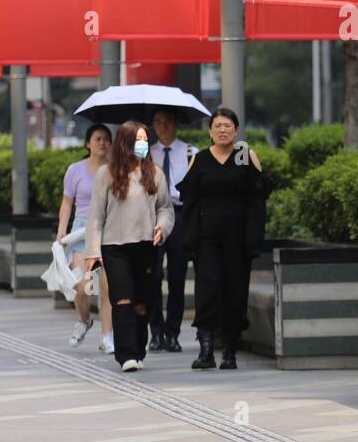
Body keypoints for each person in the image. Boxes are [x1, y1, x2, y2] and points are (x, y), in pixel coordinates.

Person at [178, 107, 266, 371]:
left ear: (236, 131)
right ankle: (206, 351)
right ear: (210, 131)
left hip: (238, 240)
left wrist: (253, 238)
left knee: (235, 292)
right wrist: (190, 240)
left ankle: (230, 351)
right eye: (217, 126)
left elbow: (257, 202)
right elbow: (189, 202)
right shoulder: (200, 159)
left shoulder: (245, 156)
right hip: (207, 239)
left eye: (228, 126)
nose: (223, 130)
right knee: (207, 290)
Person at [83, 121, 174, 372]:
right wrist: (93, 252)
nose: (143, 145)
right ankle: (125, 355)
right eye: (138, 140)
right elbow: (95, 216)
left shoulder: (155, 173)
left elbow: (165, 208)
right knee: (122, 299)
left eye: (146, 140)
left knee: (143, 302)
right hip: (115, 246)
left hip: (146, 244)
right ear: (125, 143)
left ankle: (138, 348)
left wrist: (162, 227)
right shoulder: (106, 173)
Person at [57, 124, 113, 349]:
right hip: (81, 232)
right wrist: (62, 230)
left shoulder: (114, 169)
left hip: (108, 230)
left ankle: (107, 336)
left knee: (107, 287)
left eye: (106, 139)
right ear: (87, 144)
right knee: (82, 286)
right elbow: (67, 202)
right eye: (98, 139)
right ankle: (84, 319)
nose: (102, 143)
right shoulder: (75, 170)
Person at [147, 109, 195, 352]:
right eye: (157, 122)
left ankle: (173, 333)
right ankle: (155, 331)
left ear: (176, 124)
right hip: (152, 215)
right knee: (153, 275)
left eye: (167, 122)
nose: (162, 126)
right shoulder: (146, 153)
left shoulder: (190, 152)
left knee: (177, 276)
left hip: (180, 214)